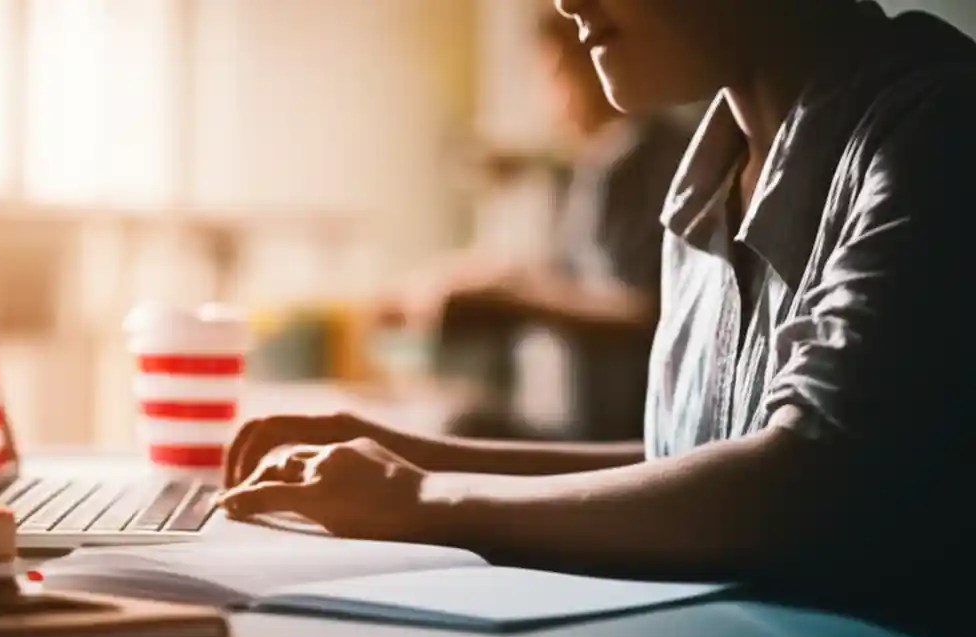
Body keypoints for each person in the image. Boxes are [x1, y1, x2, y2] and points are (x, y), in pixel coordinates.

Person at [218, 0, 976, 581]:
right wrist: (401, 454)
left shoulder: (937, 129)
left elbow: (799, 483)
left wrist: (420, 498)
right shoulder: (708, 185)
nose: (568, 2)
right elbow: (685, 467)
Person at [388, 10, 687, 442]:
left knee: (452, 430)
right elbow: (573, 276)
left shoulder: (655, 162)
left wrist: (515, 300)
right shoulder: (592, 164)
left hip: (622, 433)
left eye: (558, 73)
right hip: (566, 416)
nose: (551, 95)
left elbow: (647, 311)